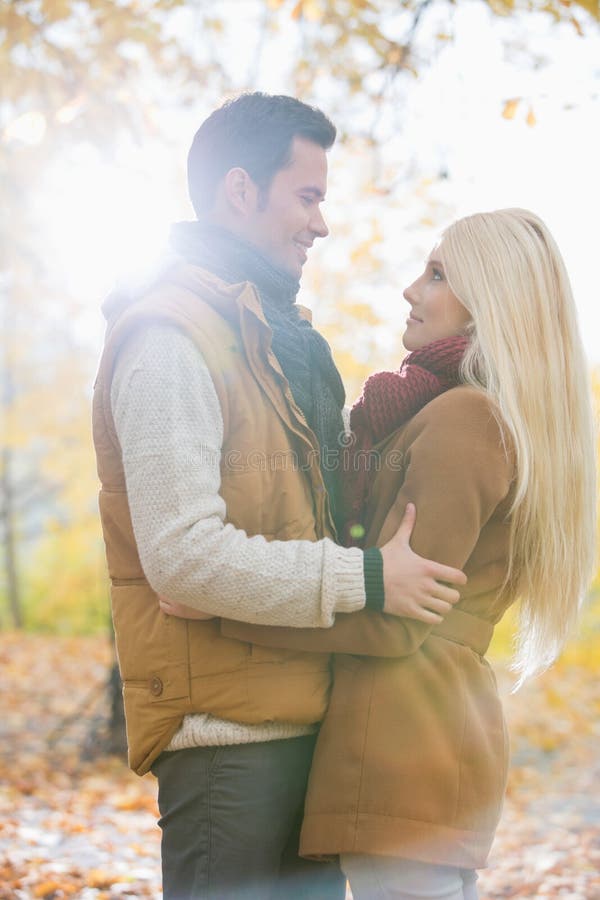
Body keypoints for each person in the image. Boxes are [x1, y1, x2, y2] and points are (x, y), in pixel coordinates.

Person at [91, 92, 467, 900]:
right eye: (308, 196)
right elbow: (183, 557)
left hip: (309, 734)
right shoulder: (169, 338)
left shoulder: (278, 340)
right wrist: (369, 580)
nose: (321, 223)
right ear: (239, 191)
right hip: (229, 756)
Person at [218, 208, 596, 898]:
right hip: (412, 743)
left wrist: (225, 610)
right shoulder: (454, 410)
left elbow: (394, 613)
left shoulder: (466, 419)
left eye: (439, 274)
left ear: (491, 301)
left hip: (405, 748)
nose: (410, 290)